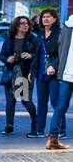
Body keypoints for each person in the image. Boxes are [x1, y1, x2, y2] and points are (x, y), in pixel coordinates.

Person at [0, 15, 38, 137]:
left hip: (25, 74)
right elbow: (1, 55)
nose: (25, 25)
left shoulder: (32, 39)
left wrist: (31, 56)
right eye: (22, 23)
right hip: (11, 73)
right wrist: (7, 59)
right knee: (10, 101)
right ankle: (9, 125)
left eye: (27, 23)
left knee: (26, 101)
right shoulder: (9, 39)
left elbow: (39, 56)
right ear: (16, 25)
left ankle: (35, 124)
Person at [33, 8, 61, 137]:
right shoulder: (39, 33)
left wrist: (54, 66)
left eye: (49, 16)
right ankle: (39, 129)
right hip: (40, 73)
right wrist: (31, 71)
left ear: (55, 19)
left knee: (56, 102)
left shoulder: (59, 33)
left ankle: (60, 130)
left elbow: (62, 54)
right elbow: (36, 54)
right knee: (41, 102)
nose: (45, 19)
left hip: (54, 73)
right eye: (43, 17)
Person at [46, 15, 72, 150]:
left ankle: (52, 138)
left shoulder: (66, 27)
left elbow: (60, 49)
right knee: (60, 105)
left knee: (60, 106)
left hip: (67, 72)